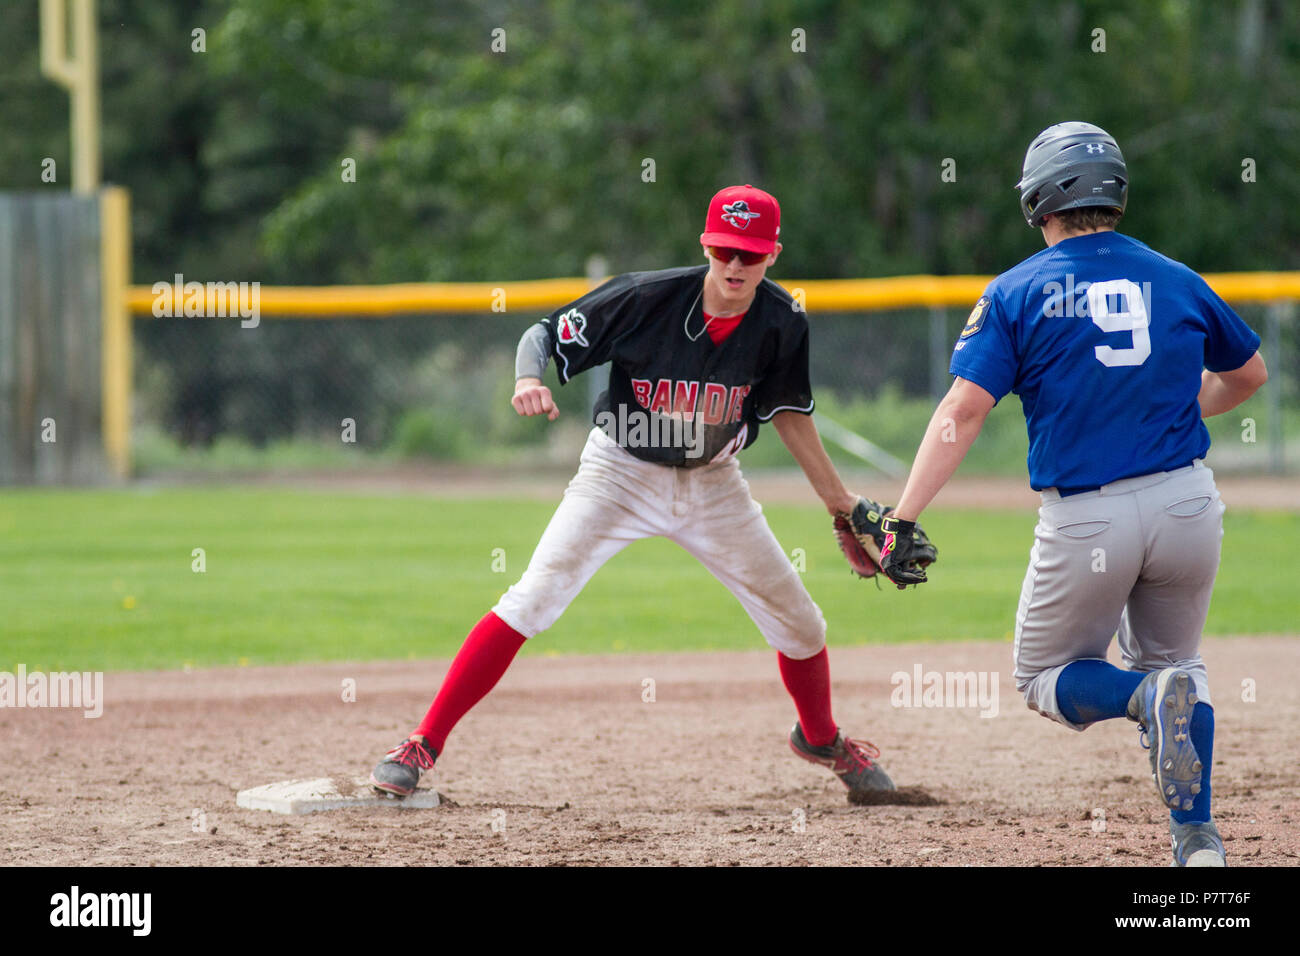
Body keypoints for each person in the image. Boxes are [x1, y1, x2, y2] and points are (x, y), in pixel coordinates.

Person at [370, 184, 901, 802]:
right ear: (706, 244)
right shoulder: (643, 299)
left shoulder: (781, 321)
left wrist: (841, 507)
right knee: (532, 598)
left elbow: (789, 415)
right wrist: (526, 379)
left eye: (750, 255)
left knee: (803, 624)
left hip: (714, 484)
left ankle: (821, 738)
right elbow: (542, 335)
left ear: (772, 255)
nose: (735, 265)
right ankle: (422, 743)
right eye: (725, 249)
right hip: (618, 473)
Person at [881, 122, 1267, 866]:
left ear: (1038, 198)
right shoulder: (1175, 276)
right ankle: (1198, 841)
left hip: (1089, 516)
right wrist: (1177, 407)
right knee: (1179, 664)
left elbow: (962, 413)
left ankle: (1137, 702)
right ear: (1115, 192)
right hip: (1189, 503)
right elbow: (1248, 375)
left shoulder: (1018, 290)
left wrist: (903, 516)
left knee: (1041, 677)